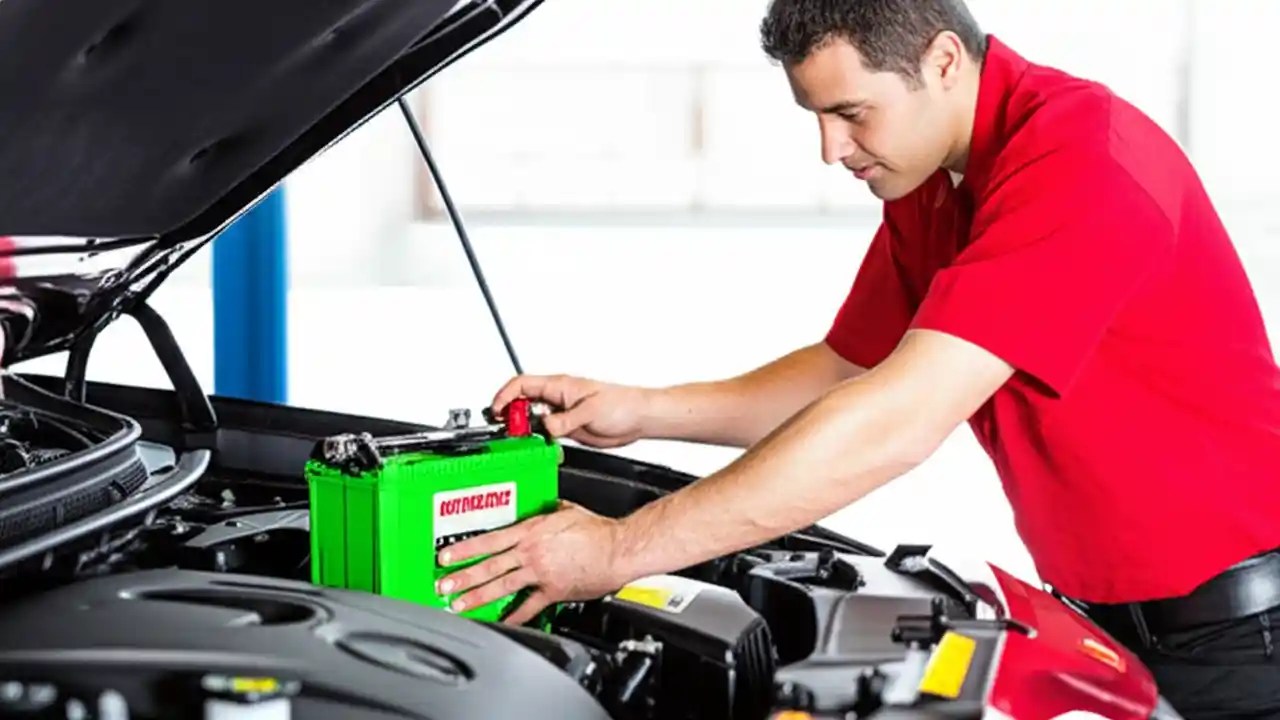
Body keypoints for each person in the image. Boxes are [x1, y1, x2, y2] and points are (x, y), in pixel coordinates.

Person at [436, 1, 1280, 715]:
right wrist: (644, 408)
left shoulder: (1081, 163)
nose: (831, 151)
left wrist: (619, 553)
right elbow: (849, 371)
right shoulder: (936, 181)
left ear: (943, 62)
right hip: (1103, 626)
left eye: (850, 114)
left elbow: (897, 420)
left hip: (1247, 640)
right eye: (816, 117)